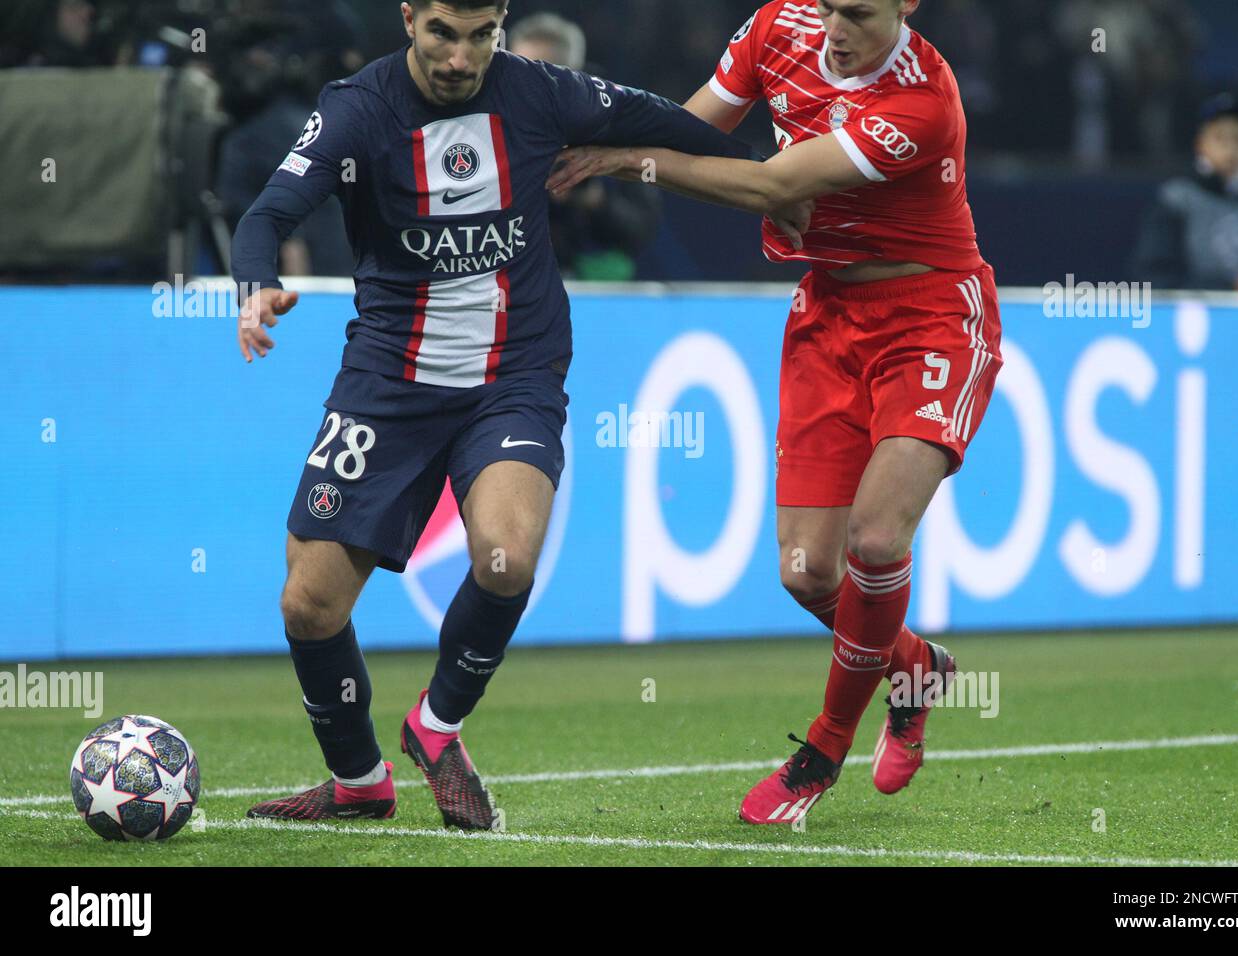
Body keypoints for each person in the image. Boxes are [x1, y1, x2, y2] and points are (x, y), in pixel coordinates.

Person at [231, 0, 755, 829]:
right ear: (409, 18)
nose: (459, 57)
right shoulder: (356, 110)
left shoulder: (541, 93)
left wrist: (775, 185)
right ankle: (359, 782)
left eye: (481, 35)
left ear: (501, 24)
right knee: (309, 605)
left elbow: (666, 120)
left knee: (506, 558)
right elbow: (267, 213)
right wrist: (255, 283)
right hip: (389, 385)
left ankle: (436, 730)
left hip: (513, 374)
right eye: (443, 33)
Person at [548, 0, 999, 824]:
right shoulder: (775, 28)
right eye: (827, 6)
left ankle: (821, 753)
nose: (834, 28)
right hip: (827, 318)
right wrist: (633, 140)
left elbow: (768, 182)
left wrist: (625, 161)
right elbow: (686, 130)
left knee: (874, 538)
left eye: (858, 13)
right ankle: (914, 667)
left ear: (906, 5)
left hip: (931, 316)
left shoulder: (923, 101)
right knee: (807, 573)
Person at [509, 12, 661, 281]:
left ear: (573, 73)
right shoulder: (494, 126)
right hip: (517, 279)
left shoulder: (617, 131)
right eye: (517, 69)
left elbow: (640, 231)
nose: (526, 83)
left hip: (599, 284)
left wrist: (596, 202)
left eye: (540, 72)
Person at [1132, 95, 1238, 291]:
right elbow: (1155, 276)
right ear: (1200, 145)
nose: (1230, 148)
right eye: (1219, 137)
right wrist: (1228, 288)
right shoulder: (1176, 201)